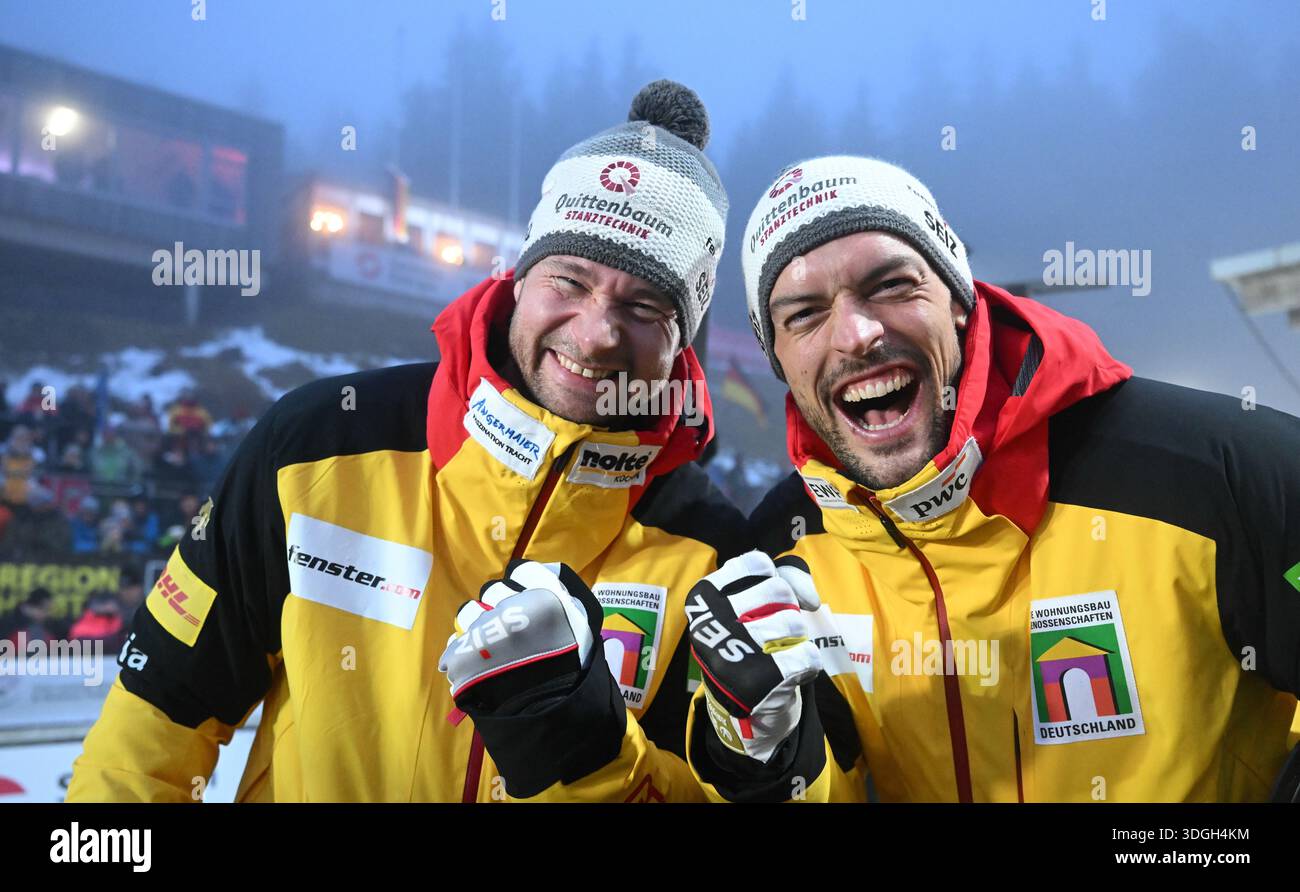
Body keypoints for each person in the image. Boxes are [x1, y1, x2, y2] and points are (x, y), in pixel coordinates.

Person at [68, 80, 742, 803]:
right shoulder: (317, 444)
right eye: (569, 280)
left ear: (682, 337)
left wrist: (589, 749)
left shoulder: (711, 546)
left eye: (645, 306)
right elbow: (152, 732)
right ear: (519, 279)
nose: (596, 331)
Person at [684, 155, 1300, 802]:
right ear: (777, 355)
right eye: (803, 314)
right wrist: (756, 754)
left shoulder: (1221, 473)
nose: (857, 334)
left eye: (891, 285)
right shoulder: (785, 547)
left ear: (957, 300)